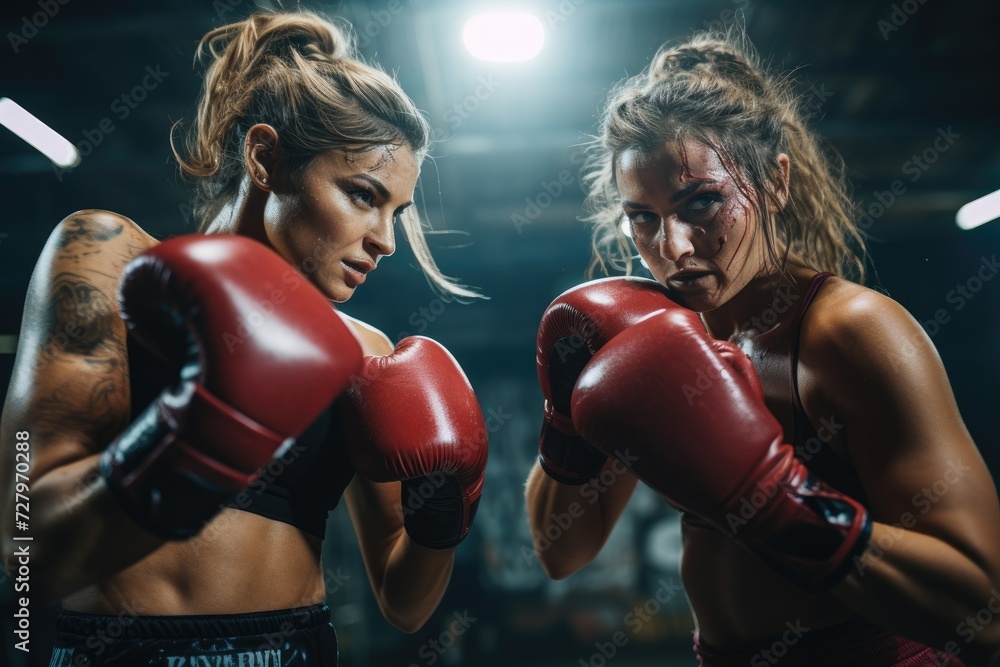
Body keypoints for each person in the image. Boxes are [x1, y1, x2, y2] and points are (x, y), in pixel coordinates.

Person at [0, 10, 488, 666]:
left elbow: (405, 604)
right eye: (362, 195)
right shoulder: (108, 258)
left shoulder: (366, 355)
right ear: (264, 158)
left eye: (396, 212)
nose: (386, 240)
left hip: (294, 650)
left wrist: (442, 516)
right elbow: (24, 546)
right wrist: (192, 442)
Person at [526, 28, 1000, 666]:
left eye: (702, 202)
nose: (673, 246)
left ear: (775, 183)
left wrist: (780, 504)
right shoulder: (658, 338)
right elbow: (560, 551)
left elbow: (985, 611)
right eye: (642, 216)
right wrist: (565, 416)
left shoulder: (851, 333)